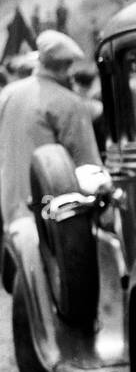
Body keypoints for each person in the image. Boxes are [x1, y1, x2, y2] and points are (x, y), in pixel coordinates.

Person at [0, 31, 102, 229]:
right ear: (66, 66)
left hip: (12, 213)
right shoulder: (68, 103)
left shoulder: (7, 95)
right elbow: (88, 168)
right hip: (54, 223)